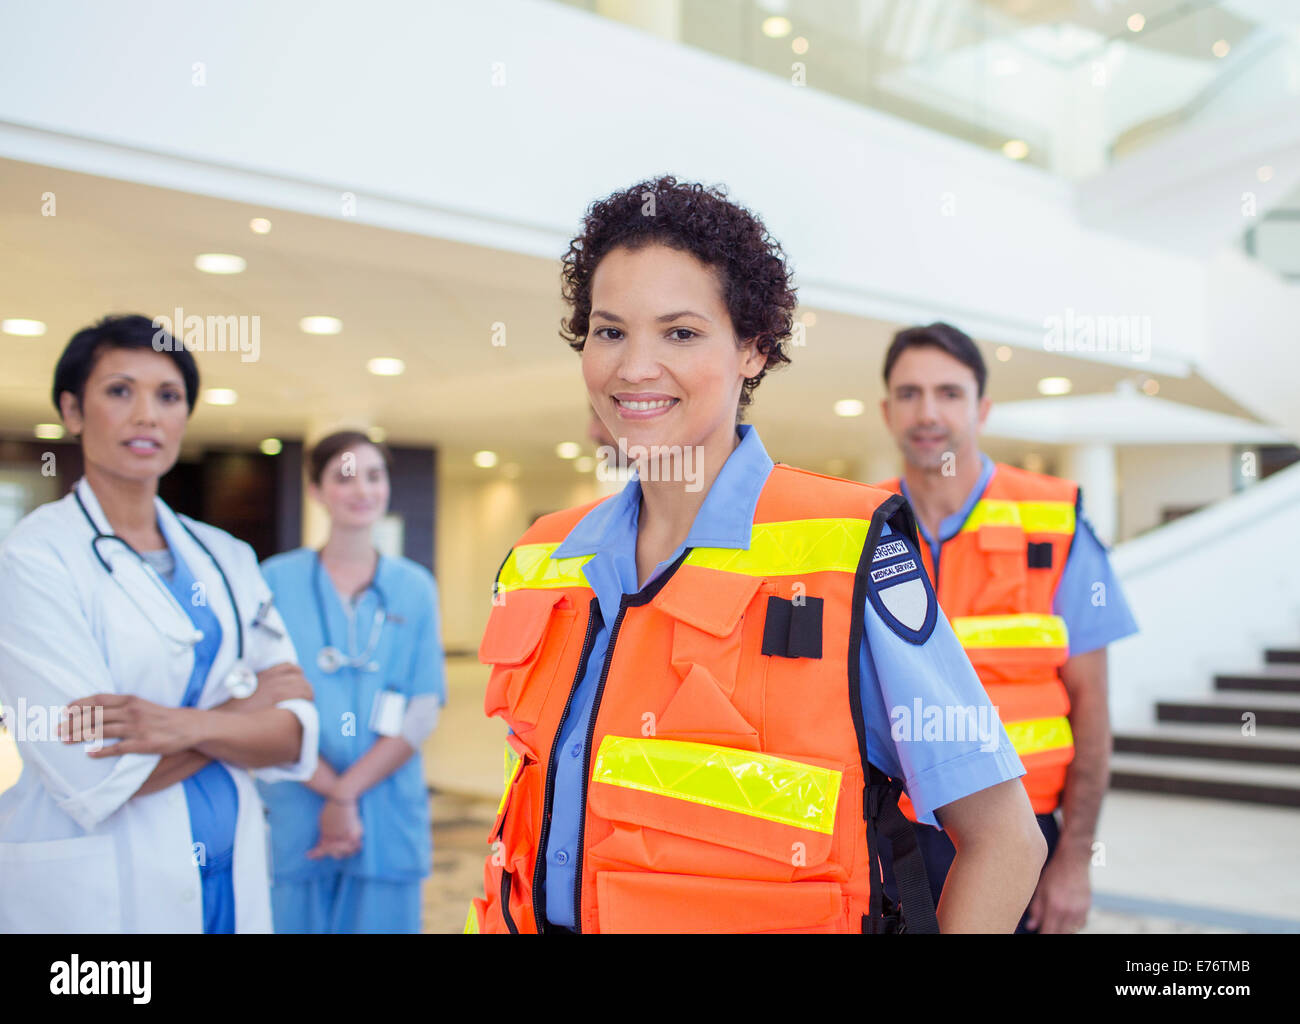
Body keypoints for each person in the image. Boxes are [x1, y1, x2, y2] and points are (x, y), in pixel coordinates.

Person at [465, 177, 1046, 935]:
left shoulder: (848, 551)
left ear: (752, 349)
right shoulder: (546, 559)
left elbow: (1005, 840)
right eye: (609, 331)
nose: (634, 367)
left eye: (680, 333)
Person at [0, 314, 319, 933]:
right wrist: (239, 713)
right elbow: (92, 767)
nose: (147, 414)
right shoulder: (34, 559)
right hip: (104, 887)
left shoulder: (225, 556)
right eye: (120, 390)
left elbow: (294, 730)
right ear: (72, 410)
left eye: (168, 396)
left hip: (230, 872)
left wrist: (171, 726)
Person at [875, 322, 1139, 934]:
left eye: (949, 392)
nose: (928, 412)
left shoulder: (1055, 522)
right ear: (887, 411)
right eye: (909, 394)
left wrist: (1073, 861)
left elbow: (1091, 711)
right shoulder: (857, 525)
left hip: (1022, 836)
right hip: (888, 835)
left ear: (982, 408)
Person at [256, 431, 447, 933]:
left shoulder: (414, 588)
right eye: (343, 476)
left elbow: (422, 709)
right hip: (299, 797)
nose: (362, 489)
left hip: (386, 804)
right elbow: (260, 703)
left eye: (374, 475)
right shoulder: (274, 581)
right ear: (316, 490)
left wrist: (346, 794)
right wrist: (329, 790)